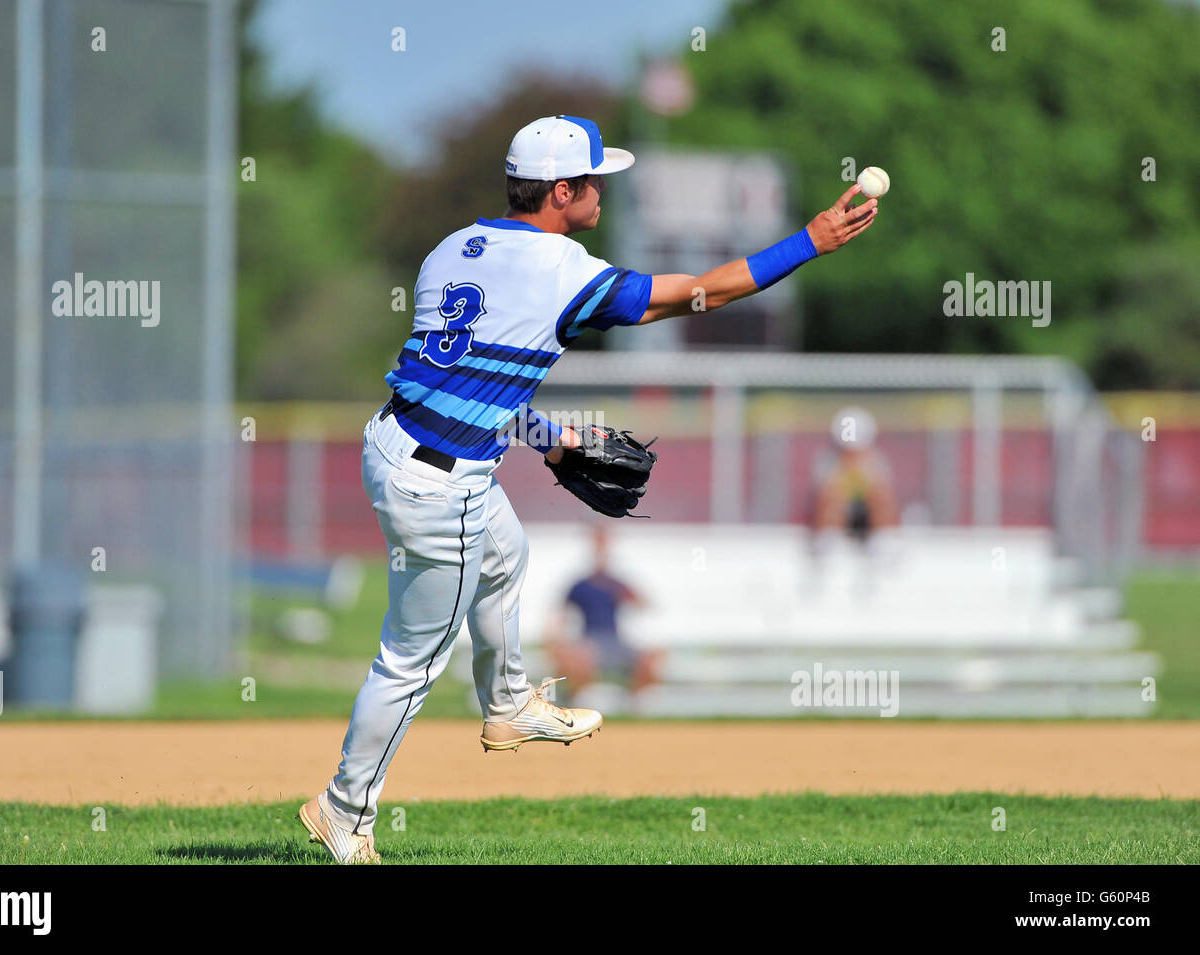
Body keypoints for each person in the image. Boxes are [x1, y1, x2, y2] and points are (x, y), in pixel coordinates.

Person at [299, 115, 878, 863]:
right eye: (595, 179)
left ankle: (507, 704)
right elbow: (701, 292)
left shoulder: (454, 248)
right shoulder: (564, 269)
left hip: (396, 442)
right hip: (440, 483)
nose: (605, 189)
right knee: (412, 659)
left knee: (506, 554)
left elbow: (463, 383)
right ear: (561, 191)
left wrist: (551, 437)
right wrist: (810, 242)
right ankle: (346, 807)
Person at [547, 525, 662, 695]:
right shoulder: (580, 585)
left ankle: (637, 707)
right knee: (579, 659)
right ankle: (579, 705)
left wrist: (628, 594)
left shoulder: (617, 582)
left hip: (616, 641)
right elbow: (560, 616)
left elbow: (644, 604)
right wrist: (557, 642)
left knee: (650, 658)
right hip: (590, 641)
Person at [812, 406, 897, 541]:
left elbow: (886, 496)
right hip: (840, 513)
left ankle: (884, 541)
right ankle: (829, 540)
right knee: (832, 497)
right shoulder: (828, 461)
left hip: (867, 515)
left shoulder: (877, 461)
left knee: (881, 496)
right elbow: (822, 497)